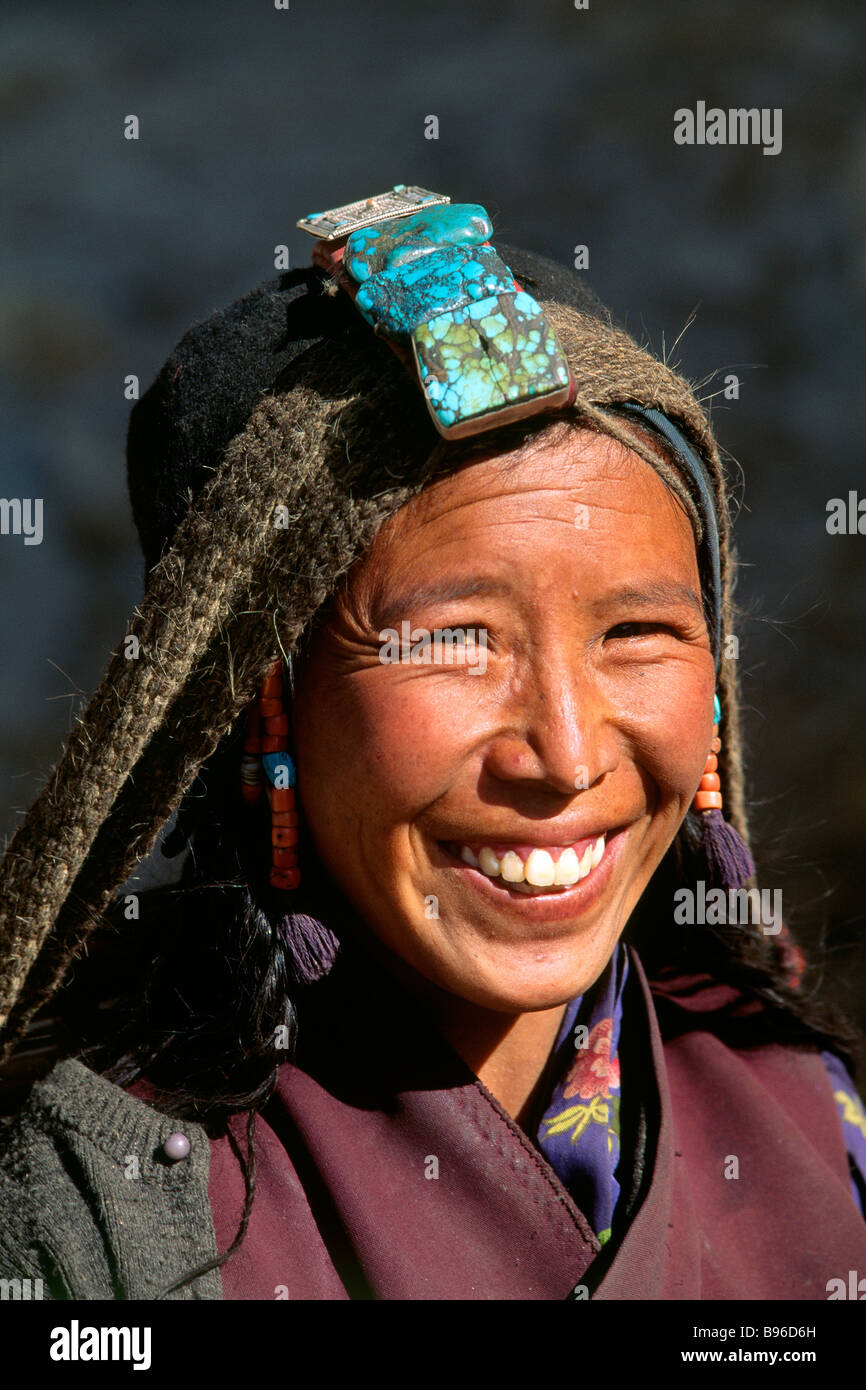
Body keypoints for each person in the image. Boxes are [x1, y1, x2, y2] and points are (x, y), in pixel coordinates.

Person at [0, 186, 864, 1301]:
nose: (561, 754)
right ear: (260, 705)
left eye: (637, 631)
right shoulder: (103, 1216)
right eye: (453, 638)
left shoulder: (798, 1101)